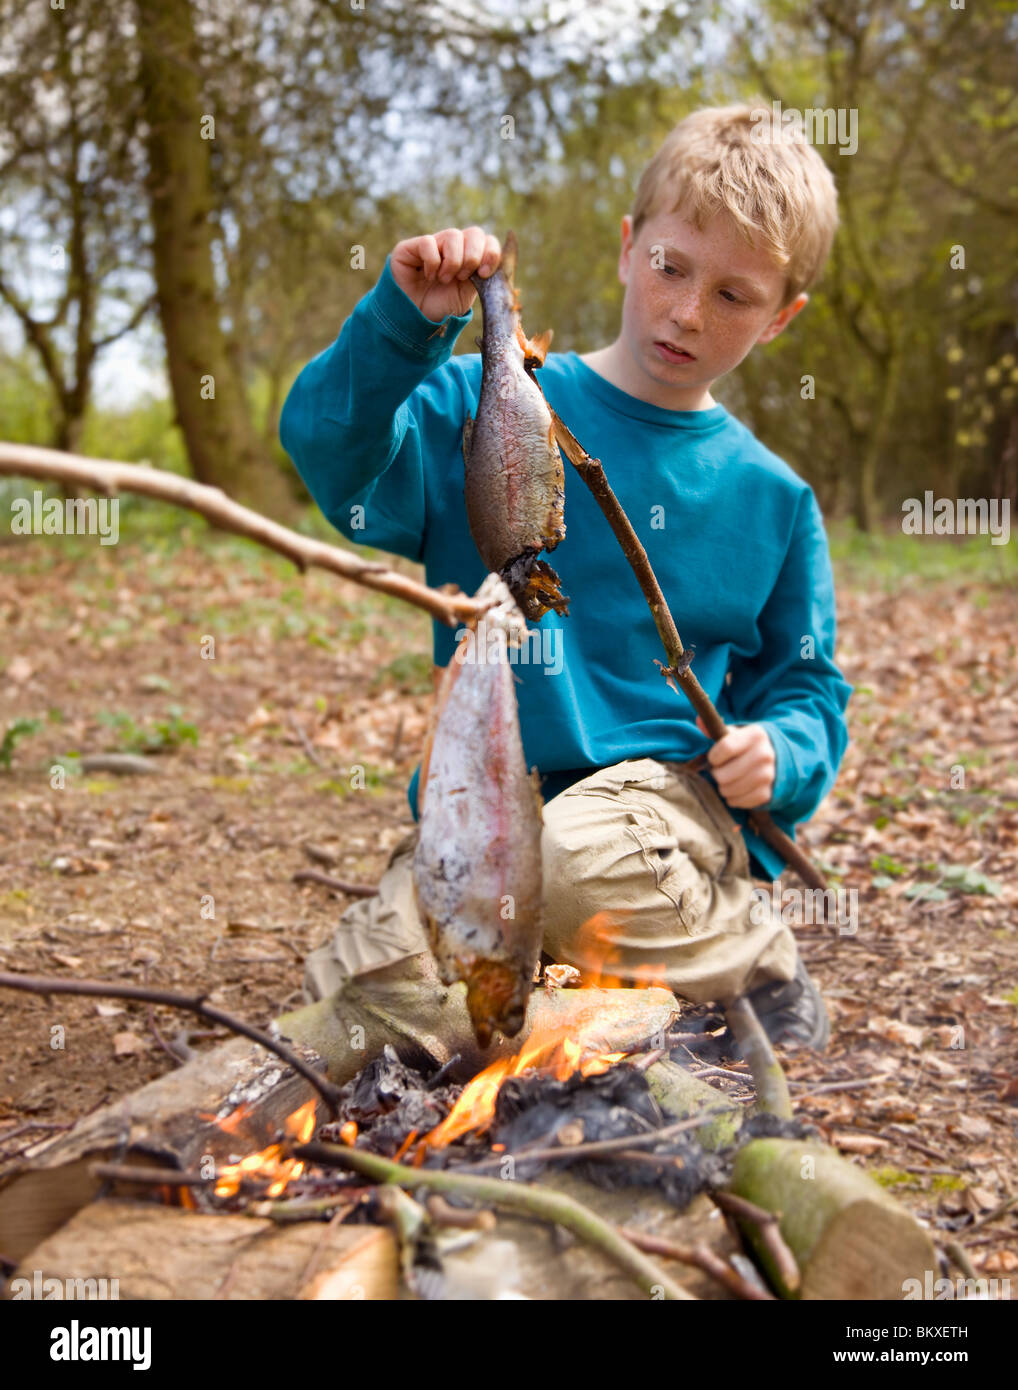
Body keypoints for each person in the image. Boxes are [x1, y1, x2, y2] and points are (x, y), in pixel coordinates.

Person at [279, 104, 852, 1053]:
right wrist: (401, 329)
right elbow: (331, 460)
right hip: (485, 795)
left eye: (735, 296)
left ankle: (749, 953)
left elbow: (806, 686)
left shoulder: (773, 499)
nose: (686, 312)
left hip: (656, 811)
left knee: (577, 864)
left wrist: (782, 753)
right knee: (358, 987)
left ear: (782, 315)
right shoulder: (481, 405)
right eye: (672, 268)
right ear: (630, 248)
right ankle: (581, 1006)